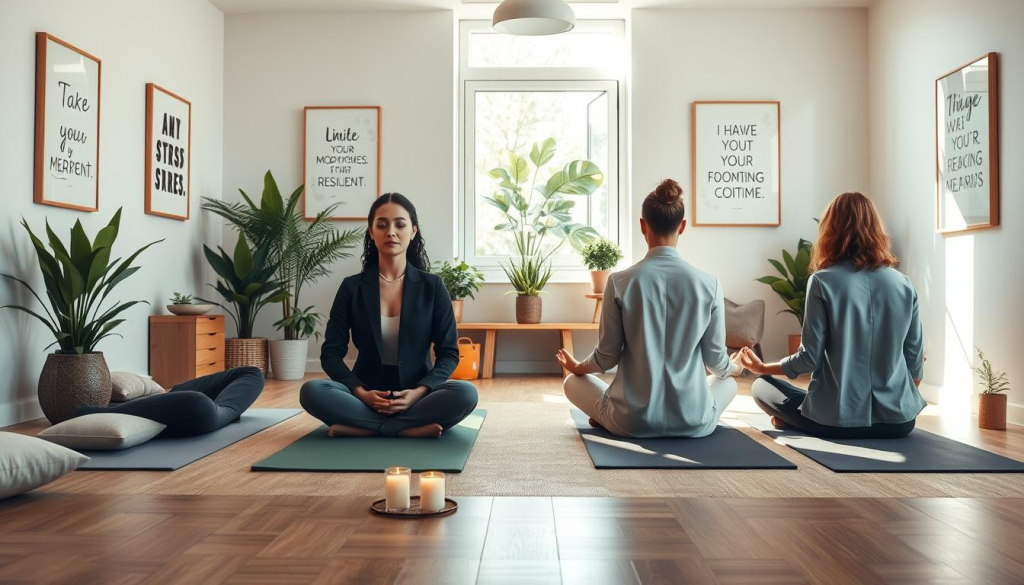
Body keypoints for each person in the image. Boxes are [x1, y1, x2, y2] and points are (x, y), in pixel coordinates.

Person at [556, 179, 744, 438]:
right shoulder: (710, 283)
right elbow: (715, 362)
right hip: (695, 423)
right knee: (729, 382)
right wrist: (736, 367)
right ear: (683, 227)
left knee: (571, 382)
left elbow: (605, 358)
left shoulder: (619, 282)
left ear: (642, 225)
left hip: (632, 423)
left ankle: (606, 417)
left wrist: (578, 367)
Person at [739, 191, 925, 439]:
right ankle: (797, 420)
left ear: (830, 231)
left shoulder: (822, 281)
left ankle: (795, 421)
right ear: (877, 230)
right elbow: (915, 366)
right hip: (900, 423)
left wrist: (762, 367)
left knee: (763, 386)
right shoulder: (903, 283)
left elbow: (809, 359)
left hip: (836, 424)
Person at [300, 193, 478, 439]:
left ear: (413, 231)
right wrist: (361, 393)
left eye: (400, 224)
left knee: (466, 393)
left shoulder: (433, 286)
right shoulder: (352, 288)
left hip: (417, 397)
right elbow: (331, 353)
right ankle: (405, 429)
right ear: (371, 232)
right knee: (312, 390)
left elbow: (448, 353)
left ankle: (366, 428)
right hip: (365, 396)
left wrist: (419, 392)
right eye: (382, 225)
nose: (391, 232)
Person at [75, 367, 264, 437]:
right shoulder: (200, 405)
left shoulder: (196, 403)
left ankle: (91, 413)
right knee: (253, 373)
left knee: (253, 372)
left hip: (201, 409)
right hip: (203, 410)